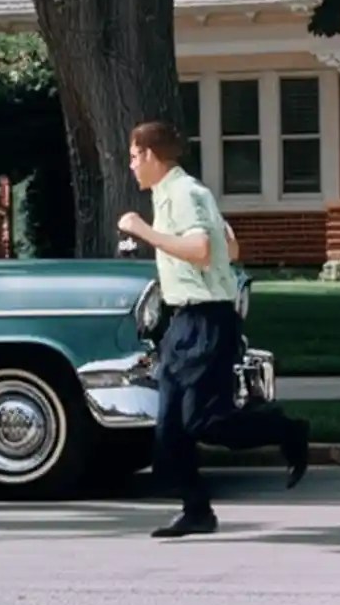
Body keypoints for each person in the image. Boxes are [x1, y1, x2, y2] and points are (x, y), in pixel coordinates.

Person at [118, 120, 310, 538]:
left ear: (151, 155)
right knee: (170, 427)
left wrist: (142, 231)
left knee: (205, 422)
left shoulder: (184, 194)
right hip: (184, 321)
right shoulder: (174, 193)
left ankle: (286, 430)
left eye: (134, 156)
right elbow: (230, 245)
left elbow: (202, 251)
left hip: (207, 321)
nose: (131, 165)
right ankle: (196, 510)